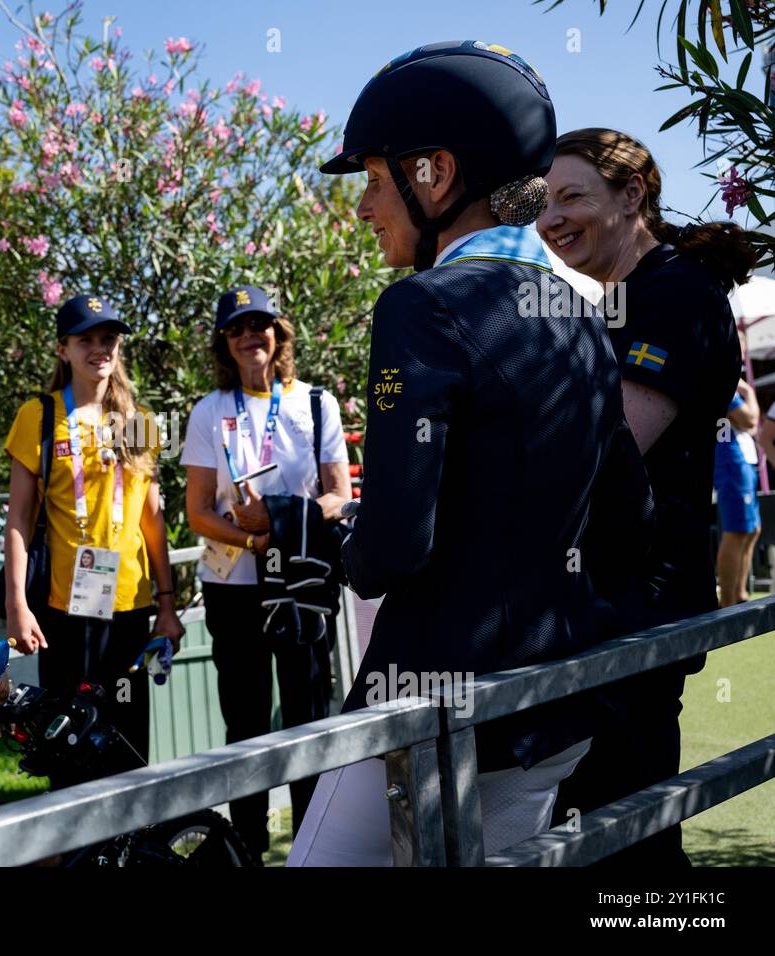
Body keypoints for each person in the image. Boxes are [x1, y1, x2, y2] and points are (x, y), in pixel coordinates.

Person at [288, 42, 654, 866]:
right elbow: (630, 513)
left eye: (375, 181)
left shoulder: (420, 305)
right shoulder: (581, 311)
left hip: (430, 699)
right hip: (553, 697)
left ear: (435, 175)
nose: (362, 209)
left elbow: (392, 549)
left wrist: (346, 542)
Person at [539, 127, 753, 867]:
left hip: (641, 605)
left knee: (627, 834)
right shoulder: (616, 299)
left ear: (633, 196)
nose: (552, 218)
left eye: (573, 196)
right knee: (600, 828)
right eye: (544, 202)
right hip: (602, 603)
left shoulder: (674, 294)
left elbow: (609, 452)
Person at [182, 284, 352, 860]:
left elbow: (339, 495)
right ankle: (248, 852)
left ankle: (312, 847)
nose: (251, 335)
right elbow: (198, 513)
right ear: (224, 344)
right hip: (233, 587)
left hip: (301, 583)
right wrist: (255, 537)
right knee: (246, 728)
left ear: (279, 334)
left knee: (308, 722)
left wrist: (281, 520)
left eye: (261, 324)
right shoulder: (209, 411)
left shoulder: (316, 402)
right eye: (237, 328)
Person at [3, 294, 184, 784]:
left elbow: (153, 520)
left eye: (109, 339)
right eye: (86, 339)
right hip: (66, 609)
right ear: (63, 349)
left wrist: (167, 606)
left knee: (126, 742)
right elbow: (19, 518)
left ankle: (126, 852)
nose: (99, 348)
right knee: (68, 740)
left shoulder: (140, 420)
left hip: (130, 609)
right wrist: (18, 604)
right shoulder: (38, 417)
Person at [715, 377, 761, 607]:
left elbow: (751, 424)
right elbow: (750, 419)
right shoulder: (723, 381)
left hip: (743, 459)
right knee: (736, 531)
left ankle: (740, 594)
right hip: (732, 461)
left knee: (752, 530)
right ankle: (727, 602)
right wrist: (748, 391)